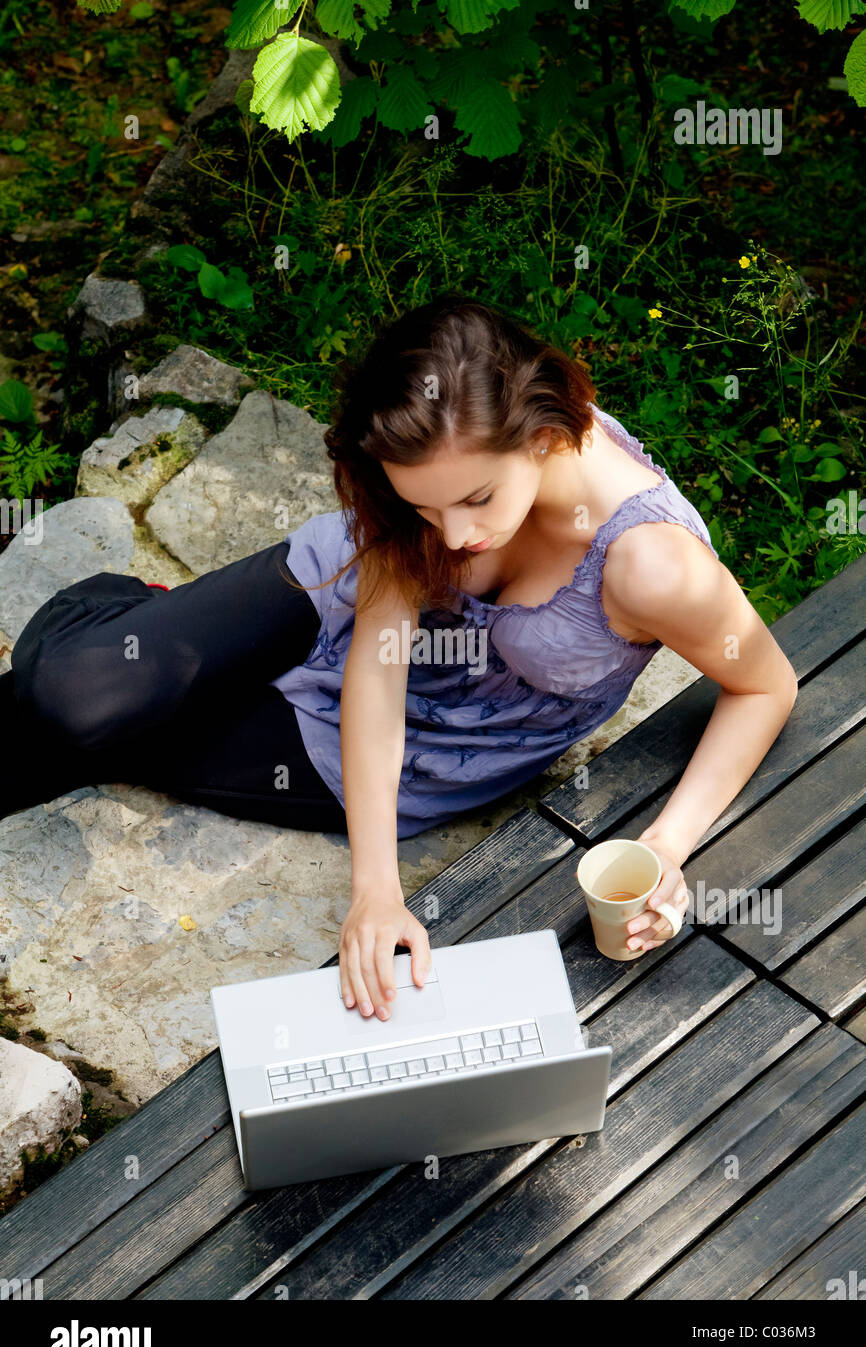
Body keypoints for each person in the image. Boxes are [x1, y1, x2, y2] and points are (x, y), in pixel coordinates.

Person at [3, 293, 798, 1025]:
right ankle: (117, 606)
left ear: (548, 435)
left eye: (477, 500)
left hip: (441, 736)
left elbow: (765, 685)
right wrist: (375, 885)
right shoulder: (431, 474)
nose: (451, 536)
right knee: (74, 698)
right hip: (339, 611)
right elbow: (378, 661)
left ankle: (160, 650)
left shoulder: (652, 567)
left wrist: (667, 843)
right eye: (424, 506)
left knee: (84, 736)